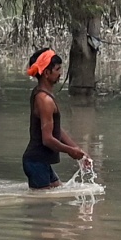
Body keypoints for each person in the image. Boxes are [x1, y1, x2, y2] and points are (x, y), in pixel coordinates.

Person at [22, 47, 87, 189]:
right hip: (36, 162)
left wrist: (76, 148)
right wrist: (70, 151)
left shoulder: (42, 94)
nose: (60, 73)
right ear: (46, 73)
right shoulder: (44, 100)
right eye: (57, 69)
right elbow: (47, 139)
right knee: (42, 207)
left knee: (57, 191)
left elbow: (55, 129)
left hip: (40, 162)